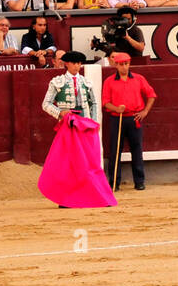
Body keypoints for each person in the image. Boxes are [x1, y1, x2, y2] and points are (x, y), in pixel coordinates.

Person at [38, 51, 114, 209]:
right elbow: (46, 104)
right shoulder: (57, 82)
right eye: (74, 63)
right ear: (66, 64)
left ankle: (98, 196)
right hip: (68, 127)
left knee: (91, 162)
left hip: (85, 126)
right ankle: (67, 199)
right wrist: (60, 113)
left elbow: (93, 104)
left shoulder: (86, 82)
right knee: (69, 164)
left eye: (79, 63)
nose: (77, 66)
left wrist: (93, 123)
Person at [101, 51, 157, 193]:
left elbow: (151, 95)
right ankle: (114, 183)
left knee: (137, 150)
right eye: (121, 64)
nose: (124, 67)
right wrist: (116, 109)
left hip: (134, 118)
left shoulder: (138, 79)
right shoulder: (109, 81)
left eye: (126, 64)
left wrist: (144, 112)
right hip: (117, 118)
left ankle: (139, 182)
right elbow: (105, 102)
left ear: (129, 63)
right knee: (115, 151)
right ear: (116, 65)